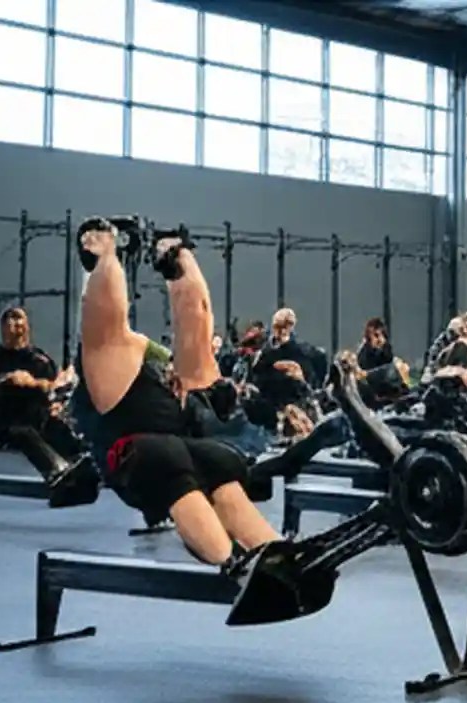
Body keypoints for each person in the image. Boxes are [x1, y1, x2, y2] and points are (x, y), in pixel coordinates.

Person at [70, 222, 302, 578]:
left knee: (219, 461)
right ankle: (233, 565)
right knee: (166, 459)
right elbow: (104, 311)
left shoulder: (161, 363)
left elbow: (196, 316)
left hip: (175, 441)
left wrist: (178, 255)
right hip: (132, 454)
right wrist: (105, 251)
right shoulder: (106, 357)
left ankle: (273, 553)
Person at [0, 307, 99, 507]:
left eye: (18, 318)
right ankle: (57, 473)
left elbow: (55, 388)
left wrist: (30, 383)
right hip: (7, 421)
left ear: (26, 326)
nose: (13, 324)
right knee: (24, 433)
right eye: (8, 320)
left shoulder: (39, 359)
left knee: (56, 427)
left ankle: (85, 465)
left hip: (38, 416)